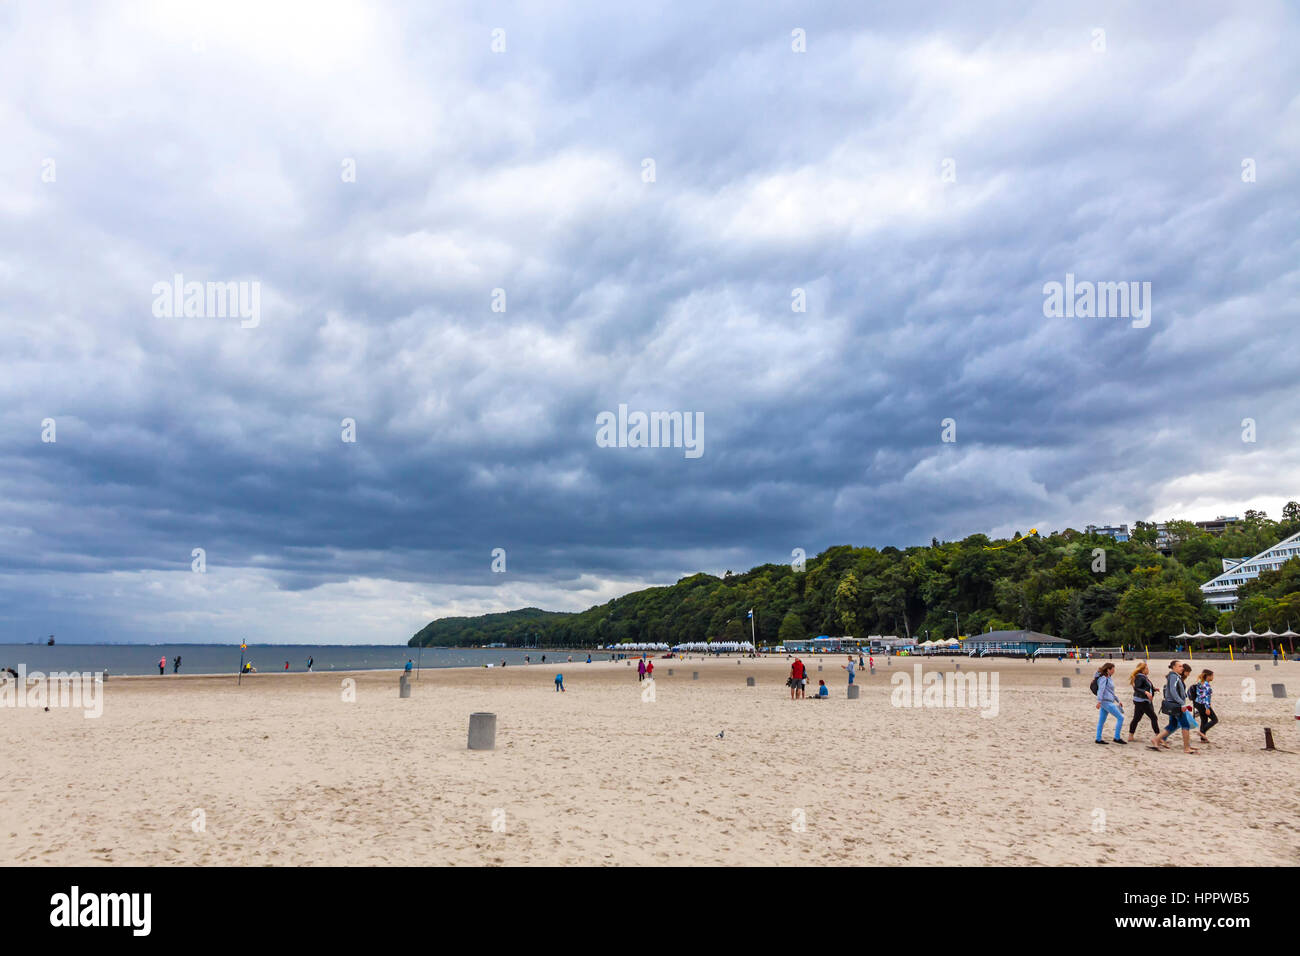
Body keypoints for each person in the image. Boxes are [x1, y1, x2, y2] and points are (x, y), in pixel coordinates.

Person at [1153, 661, 1197, 754]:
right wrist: (1182, 703)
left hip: (1173, 704)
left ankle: (1156, 740)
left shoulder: (1174, 676)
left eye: (1182, 666)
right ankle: (1186, 748)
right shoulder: (1173, 676)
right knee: (1185, 725)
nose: (1182, 668)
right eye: (1180, 666)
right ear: (1174, 667)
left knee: (1172, 725)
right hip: (1176, 705)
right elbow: (1173, 691)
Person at [1093, 662, 1127, 744]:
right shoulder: (1103, 678)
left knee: (1101, 721)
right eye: (1113, 669)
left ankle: (1098, 739)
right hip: (1106, 702)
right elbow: (1101, 690)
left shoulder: (1109, 678)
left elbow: (1111, 692)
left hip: (1107, 701)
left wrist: (1118, 701)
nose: (1114, 670)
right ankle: (1117, 737)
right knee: (1120, 718)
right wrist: (1099, 701)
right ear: (1108, 669)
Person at [1126, 661, 1159, 741]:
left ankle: (1130, 736)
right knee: (1154, 717)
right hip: (1142, 701)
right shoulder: (1140, 676)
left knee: (1136, 718)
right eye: (1147, 668)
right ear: (1143, 669)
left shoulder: (1143, 677)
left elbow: (1145, 686)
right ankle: (1158, 737)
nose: (1148, 670)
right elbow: (1137, 688)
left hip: (1141, 700)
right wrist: (1146, 692)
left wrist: (1154, 689)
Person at [1191, 669, 1218, 742]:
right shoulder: (1206, 685)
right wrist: (1207, 708)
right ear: (1208, 676)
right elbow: (1207, 697)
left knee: (1204, 720)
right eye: (1212, 675)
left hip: (1197, 703)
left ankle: (1203, 739)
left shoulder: (1199, 682)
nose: (1213, 677)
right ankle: (1202, 732)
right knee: (1215, 720)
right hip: (1203, 704)